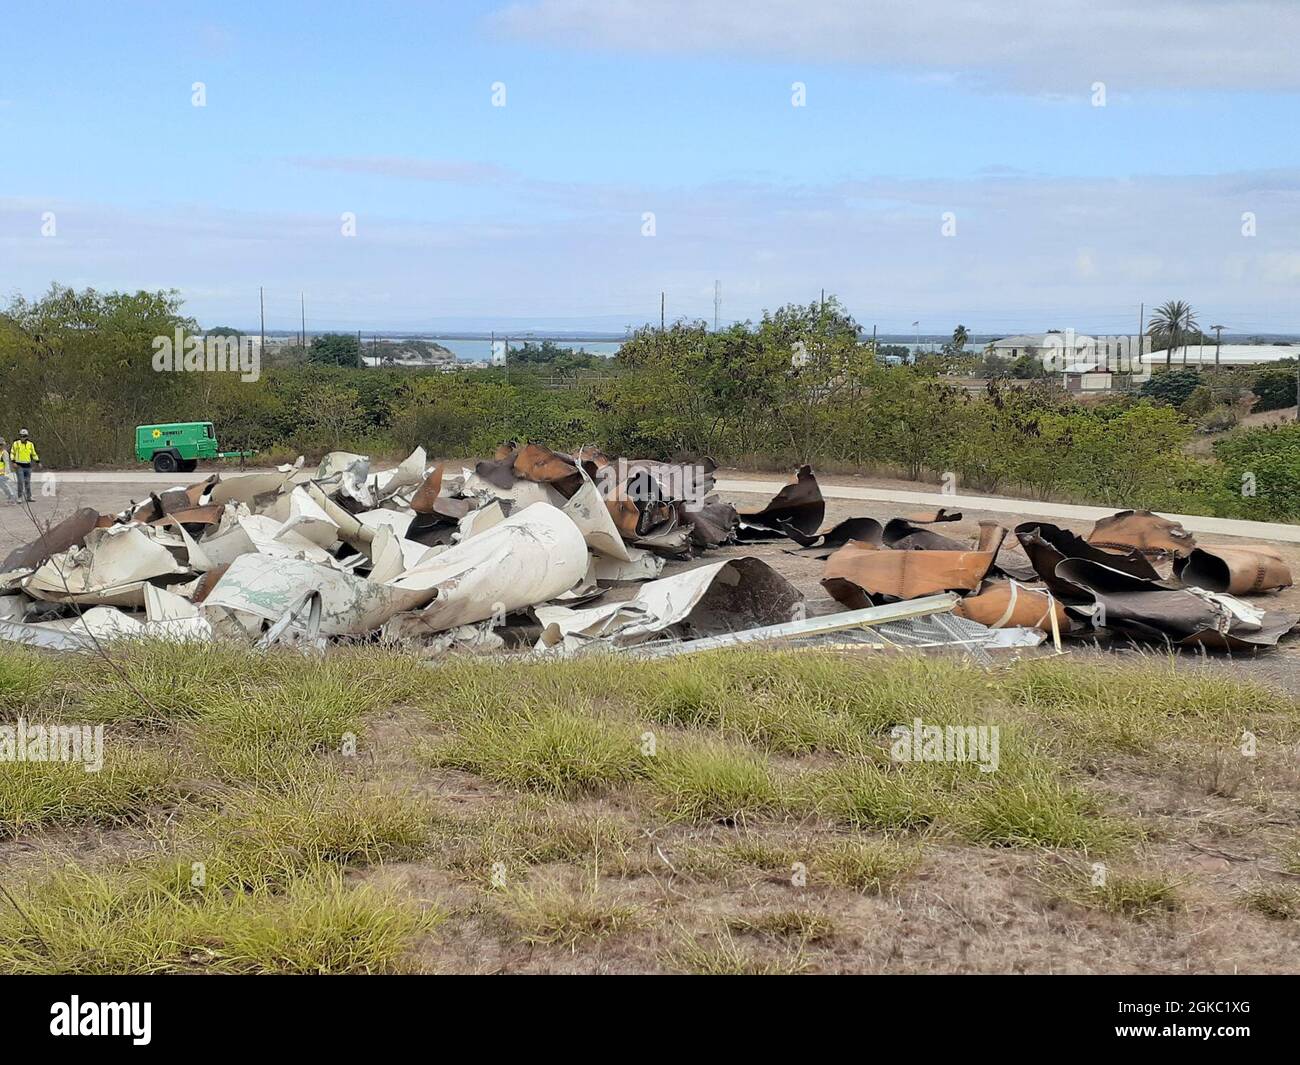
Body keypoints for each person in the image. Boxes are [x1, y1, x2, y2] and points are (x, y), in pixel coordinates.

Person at [10, 429, 39, 504]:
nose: (23, 437)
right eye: (21, 436)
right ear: (19, 436)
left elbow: (34, 454)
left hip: (28, 466)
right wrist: (13, 462)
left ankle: (29, 497)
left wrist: (37, 461)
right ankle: (19, 497)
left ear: (27, 436)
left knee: (27, 482)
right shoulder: (16, 443)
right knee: (20, 482)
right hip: (19, 466)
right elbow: (12, 453)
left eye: (24, 436)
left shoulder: (30, 444)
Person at [0, 438, 13, 504]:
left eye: (1, 444)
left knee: (4, 486)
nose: (0, 446)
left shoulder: (4, 453)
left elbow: (7, 463)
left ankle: (11, 497)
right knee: (3, 486)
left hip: (3, 473)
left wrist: (7, 473)